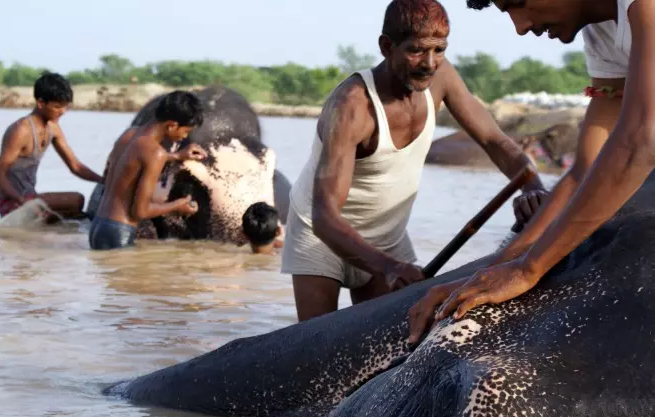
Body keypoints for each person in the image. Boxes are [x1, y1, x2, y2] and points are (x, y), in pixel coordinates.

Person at [280, 0, 547, 322]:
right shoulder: (352, 105)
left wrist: (534, 190)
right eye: (417, 51)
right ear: (386, 46)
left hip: (387, 235)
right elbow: (324, 217)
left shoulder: (443, 77)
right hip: (321, 236)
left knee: (391, 339)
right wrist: (390, 267)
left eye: (440, 50)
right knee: (314, 346)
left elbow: (494, 140)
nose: (429, 63)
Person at [406, 0, 655, 344]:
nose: (520, 26)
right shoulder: (602, 33)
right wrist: (501, 265)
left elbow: (640, 141)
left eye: (518, 4)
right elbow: (586, 170)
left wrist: (529, 269)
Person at [89, 90, 206, 251]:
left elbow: (133, 161)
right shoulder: (156, 153)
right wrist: (177, 206)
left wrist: (177, 155)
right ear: (172, 126)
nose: (184, 137)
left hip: (98, 225)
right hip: (120, 231)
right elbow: (140, 212)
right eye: (186, 131)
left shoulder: (129, 135)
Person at [0, 72, 103, 220]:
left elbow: (75, 166)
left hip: (32, 198)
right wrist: (22, 200)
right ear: (41, 103)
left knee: (77, 203)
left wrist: (103, 180)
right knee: (64, 208)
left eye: (65, 107)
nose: (62, 112)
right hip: (12, 201)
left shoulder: (53, 128)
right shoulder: (21, 130)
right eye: (57, 107)